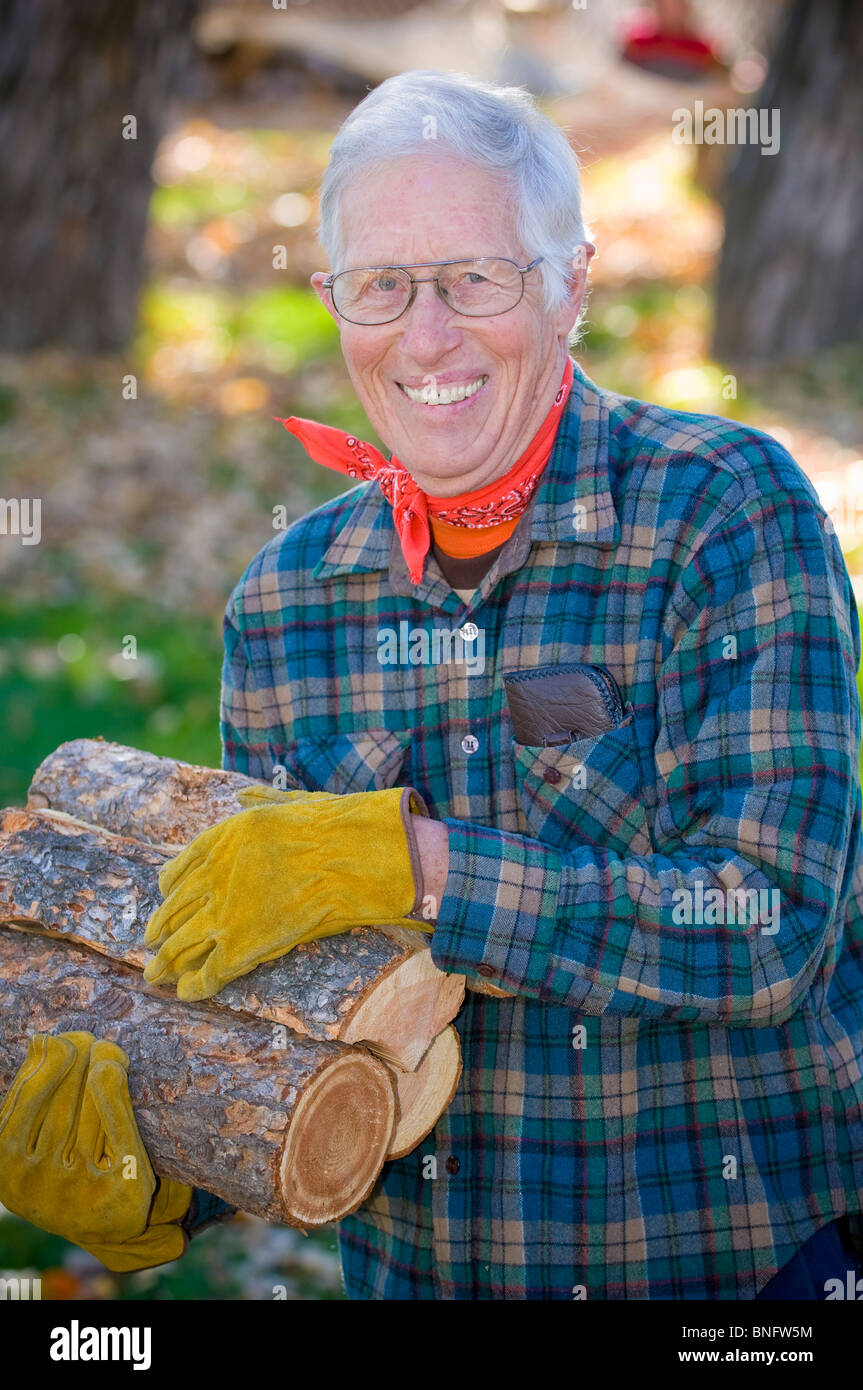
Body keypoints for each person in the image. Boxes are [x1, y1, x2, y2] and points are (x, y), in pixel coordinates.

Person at [3, 68, 863, 1301]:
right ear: (331, 303)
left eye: (472, 278)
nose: (424, 336)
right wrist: (156, 1186)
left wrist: (417, 868)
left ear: (569, 283)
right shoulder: (290, 600)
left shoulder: (720, 509)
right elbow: (286, 1015)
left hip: (741, 1277)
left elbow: (771, 929)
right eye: (381, 287)